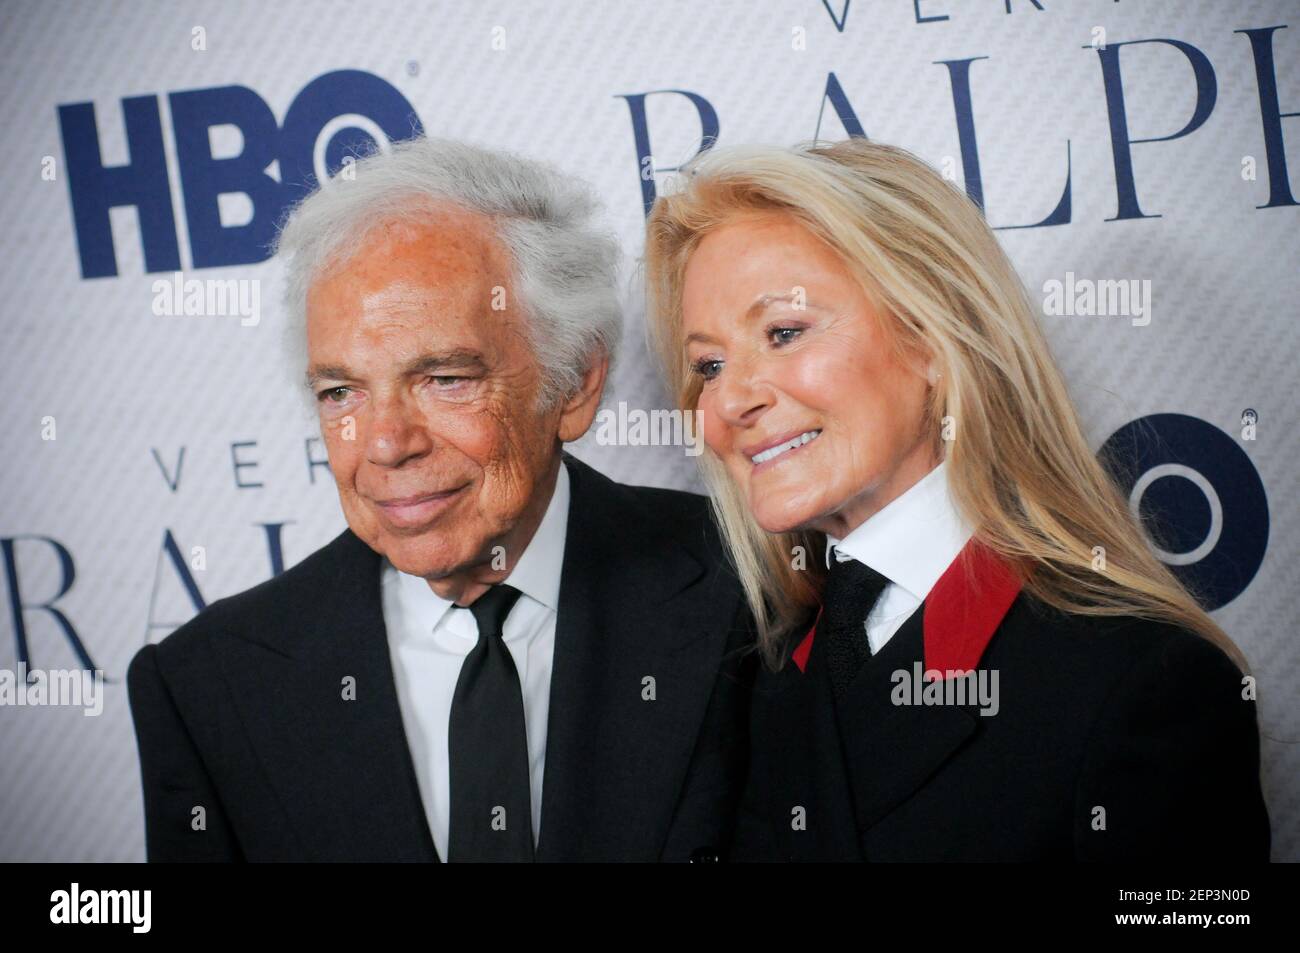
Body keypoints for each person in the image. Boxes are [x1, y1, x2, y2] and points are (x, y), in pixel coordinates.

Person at [643, 137, 1271, 861]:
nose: (733, 398)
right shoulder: (744, 683)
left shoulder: (1143, 683)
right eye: (709, 365)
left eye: (784, 332)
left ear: (932, 338)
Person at [126, 137, 752, 862]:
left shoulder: (751, 585)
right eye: (341, 392)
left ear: (575, 385)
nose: (386, 443)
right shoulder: (208, 686)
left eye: (445, 378)